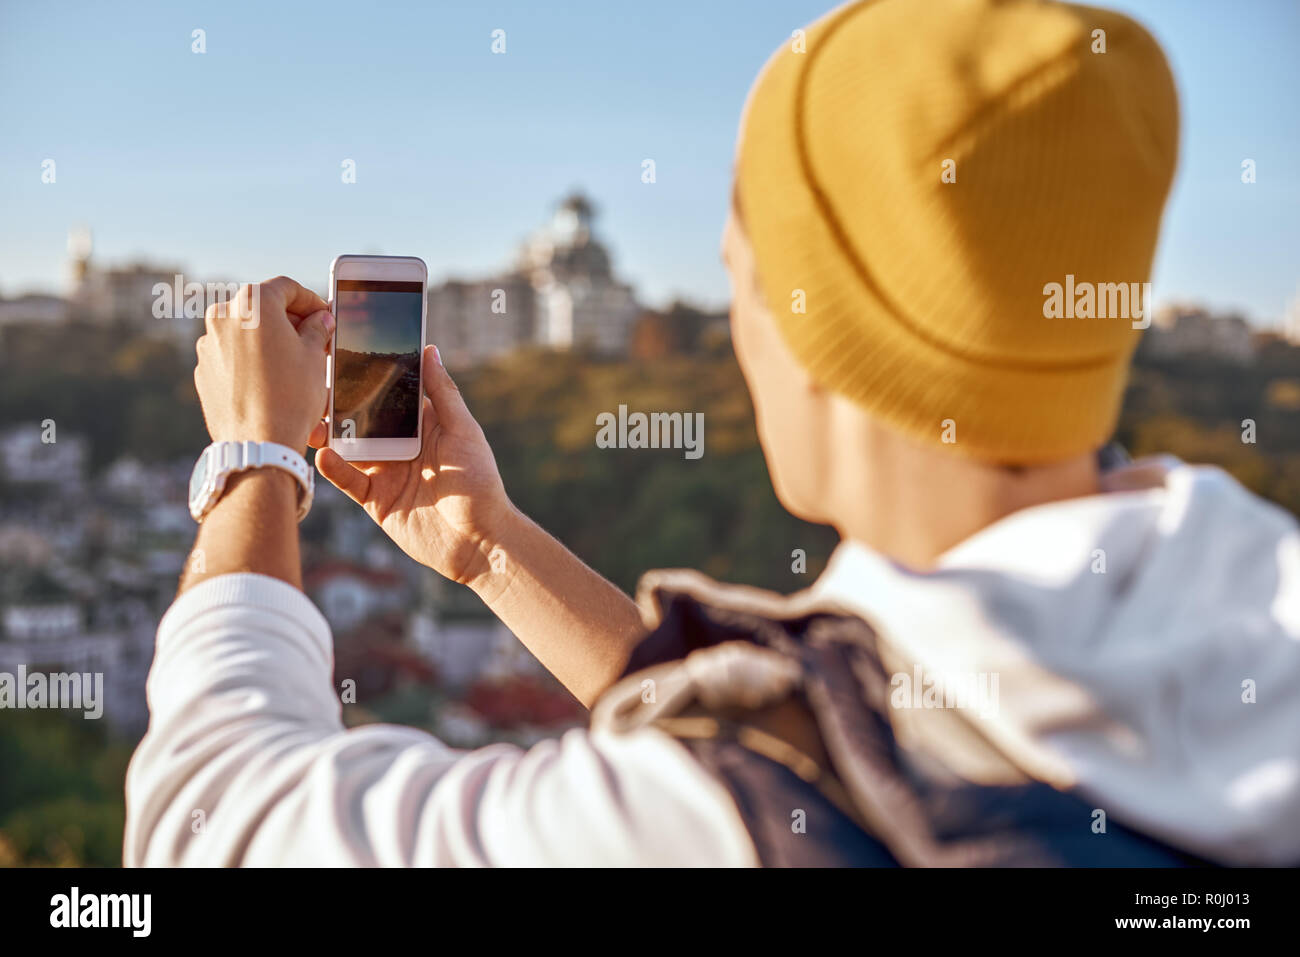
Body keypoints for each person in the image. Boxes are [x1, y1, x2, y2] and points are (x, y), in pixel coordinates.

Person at [124, 0, 1300, 866]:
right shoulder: (1255, 608)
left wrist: (255, 458)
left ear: (806, 322)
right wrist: (490, 547)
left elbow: (208, 820)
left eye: (740, 276)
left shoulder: (710, 830)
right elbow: (812, 731)